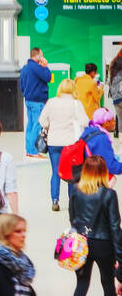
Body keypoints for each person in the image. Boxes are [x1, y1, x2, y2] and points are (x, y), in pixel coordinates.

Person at [68, 155, 122, 296]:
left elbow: (72, 219)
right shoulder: (109, 194)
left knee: (81, 284)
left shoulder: (75, 190)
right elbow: (115, 227)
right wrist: (120, 256)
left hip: (81, 244)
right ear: (103, 173)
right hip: (103, 244)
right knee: (107, 284)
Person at [39, 80, 90, 212]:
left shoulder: (51, 102)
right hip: (70, 143)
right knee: (71, 173)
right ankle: (72, 201)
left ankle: (55, 200)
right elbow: (85, 121)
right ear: (73, 89)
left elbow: (42, 120)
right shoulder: (76, 103)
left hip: (54, 142)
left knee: (56, 171)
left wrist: (51, 126)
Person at [20, 48, 53, 158]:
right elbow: (48, 77)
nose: (43, 58)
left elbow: (21, 86)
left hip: (28, 101)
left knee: (30, 125)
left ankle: (29, 150)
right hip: (38, 101)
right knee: (37, 125)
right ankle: (34, 151)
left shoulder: (24, 68)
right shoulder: (37, 67)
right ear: (38, 56)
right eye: (42, 55)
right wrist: (45, 65)